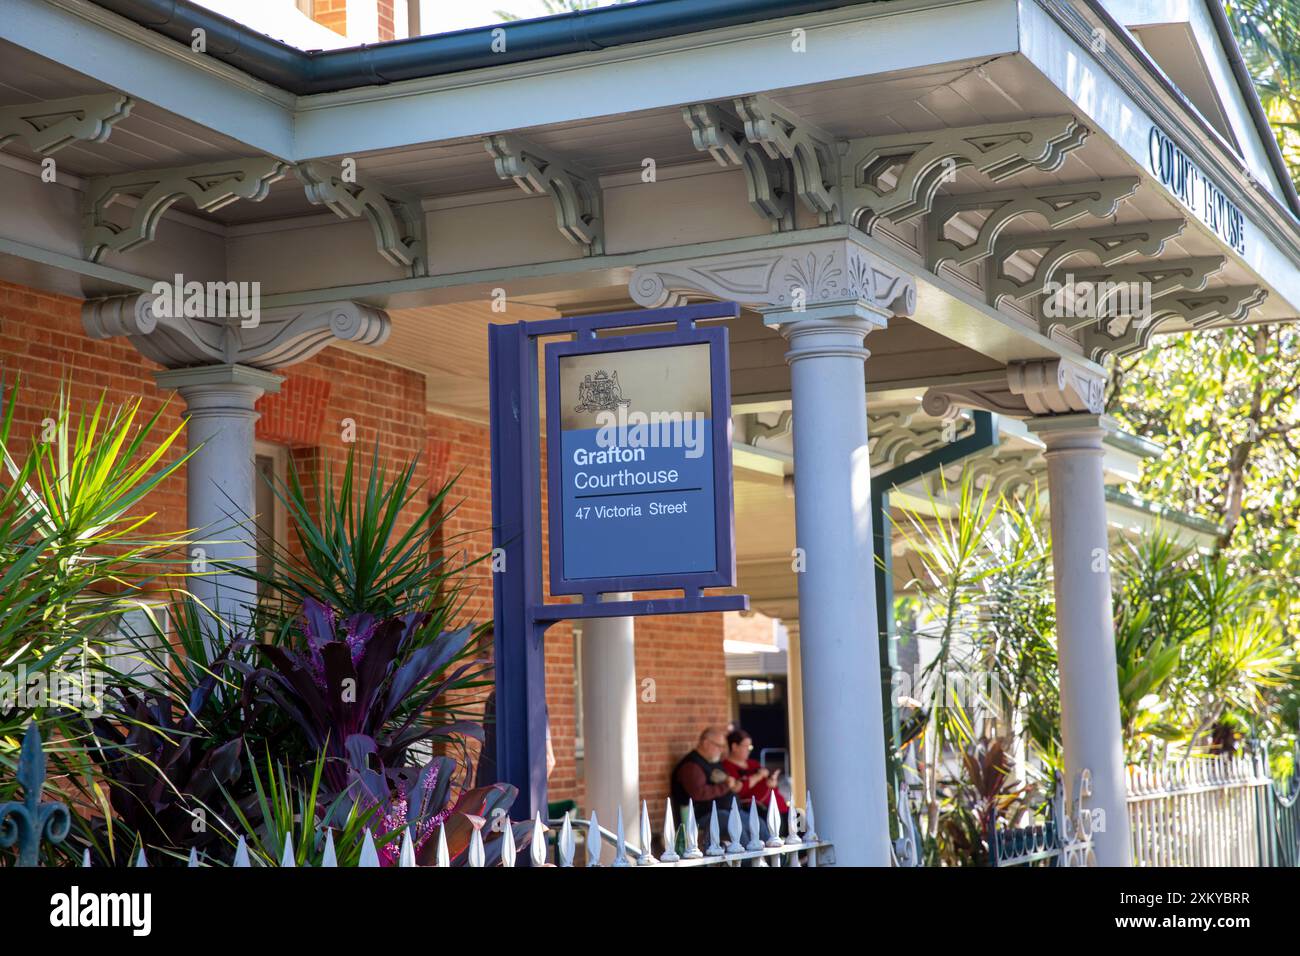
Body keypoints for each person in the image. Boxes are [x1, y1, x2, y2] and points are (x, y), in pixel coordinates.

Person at [670, 725, 742, 822]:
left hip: (724, 811)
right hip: (700, 816)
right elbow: (699, 793)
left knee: (755, 821)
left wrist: (734, 785)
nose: (721, 750)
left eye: (723, 747)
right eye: (719, 746)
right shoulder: (691, 766)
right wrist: (726, 786)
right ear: (706, 743)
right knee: (733, 823)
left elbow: (725, 779)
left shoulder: (712, 760)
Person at [722, 728, 789, 815]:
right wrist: (758, 776)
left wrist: (772, 782)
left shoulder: (753, 763)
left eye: (750, 747)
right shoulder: (726, 766)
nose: (749, 750)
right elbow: (738, 790)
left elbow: (771, 785)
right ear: (734, 747)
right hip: (757, 812)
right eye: (746, 746)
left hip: (779, 807)